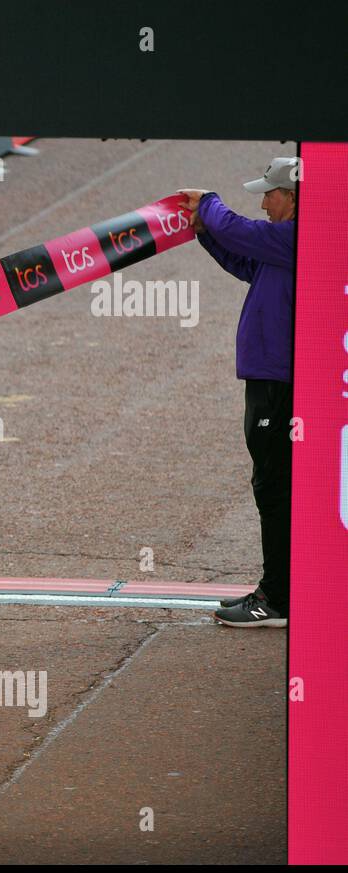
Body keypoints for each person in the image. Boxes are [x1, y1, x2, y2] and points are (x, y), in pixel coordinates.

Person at [180, 157, 298, 628]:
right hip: (271, 379)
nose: (264, 202)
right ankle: (282, 591)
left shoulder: (297, 236)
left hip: (277, 384)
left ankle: (278, 599)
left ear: (293, 198)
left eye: (270, 194)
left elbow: (245, 233)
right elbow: (244, 258)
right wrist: (206, 233)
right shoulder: (283, 246)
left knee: (273, 486)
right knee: (274, 484)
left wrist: (208, 203)